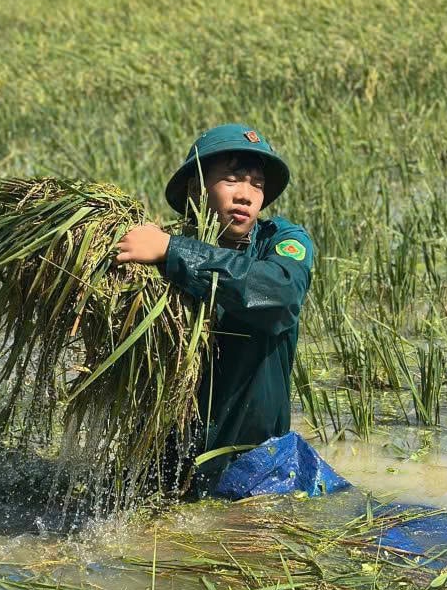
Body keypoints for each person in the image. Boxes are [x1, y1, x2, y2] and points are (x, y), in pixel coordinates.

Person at [115, 124, 313, 490]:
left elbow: (279, 296)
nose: (246, 195)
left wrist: (174, 252)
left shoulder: (281, 242)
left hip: (260, 467)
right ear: (196, 188)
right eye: (232, 180)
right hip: (170, 465)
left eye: (256, 183)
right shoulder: (155, 257)